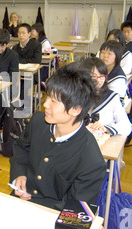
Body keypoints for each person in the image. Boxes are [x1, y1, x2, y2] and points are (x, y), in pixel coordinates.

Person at [9, 62, 107, 210]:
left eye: (53, 101)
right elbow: (21, 148)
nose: (45, 104)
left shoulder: (91, 159)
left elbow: (73, 208)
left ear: (75, 109)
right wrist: (20, 175)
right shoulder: (38, 122)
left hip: (52, 218)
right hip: (20, 199)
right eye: (48, 97)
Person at [79, 57, 132, 137]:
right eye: (94, 76)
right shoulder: (76, 96)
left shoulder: (112, 97)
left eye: (102, 76)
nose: (99, 80)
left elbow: (127, 126)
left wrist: (106, 128)